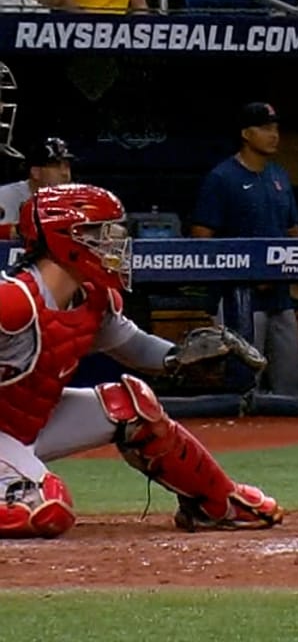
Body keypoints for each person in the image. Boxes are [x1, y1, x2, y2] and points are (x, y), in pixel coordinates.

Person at [0, 184, 282, 537]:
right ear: (65, 239)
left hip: (31, 425)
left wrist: (177, 357)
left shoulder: (94, 299)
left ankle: (218, 502)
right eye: (100, 234)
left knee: (132, 405)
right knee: (47, 511)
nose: (112, 247)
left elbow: (132, 346)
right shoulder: (13, 301)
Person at [189, 102, 298, 397]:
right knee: (244, 384)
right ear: (245, 133)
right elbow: (201, 238)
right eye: (266, 128)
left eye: (276, 128)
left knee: (291, 384)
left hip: (280, 296)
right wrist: (242, 273)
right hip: (239, 299)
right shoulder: (222, 178)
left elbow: (293, 230)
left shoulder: (279, 176)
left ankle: (292, 442)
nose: (274, 135)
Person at [0, 137, 75, 233]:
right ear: (36, 172)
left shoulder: (75, 201)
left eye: (67, 166)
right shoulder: (5, 197)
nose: (65, 173)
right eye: (56, 167)